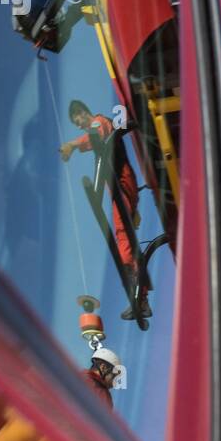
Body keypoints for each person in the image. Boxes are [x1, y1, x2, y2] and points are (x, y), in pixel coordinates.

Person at [59, 100, 151, 320]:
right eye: (76, 122)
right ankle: (142, 297)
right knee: (125, 235)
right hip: (120, 189)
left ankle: (132, 275)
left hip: (122, 184)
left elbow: (95, 135)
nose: (79, 124)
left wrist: (71, 145)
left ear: (84, 112)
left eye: (78, 119)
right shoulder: (98, 128)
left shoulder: (99, 122)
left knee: (123, 237)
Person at [82, 345, 123, 410]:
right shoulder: (103, 394)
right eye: (114, 376)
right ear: (103, 367)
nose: (114, 383)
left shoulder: (75, 375)